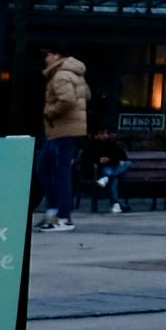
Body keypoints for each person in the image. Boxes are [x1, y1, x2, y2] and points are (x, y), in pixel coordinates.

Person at [39, 49, 90, 232]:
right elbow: (86, 96)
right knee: (47, 167)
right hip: (66, 130)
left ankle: (62, 217)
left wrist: (49, 112)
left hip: (62, 130)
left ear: (56, 56)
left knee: (58, 172)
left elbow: (67, 100)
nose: (45, 59)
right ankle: (55, 210)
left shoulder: (60, 75)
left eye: (47, 55)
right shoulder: (75, 73)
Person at [87, 130, 132, 216]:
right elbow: (88, 159)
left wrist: (112, 160)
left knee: (128, 163)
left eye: (106, 133)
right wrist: (99, 160)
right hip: (104, 167)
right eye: (102, 134)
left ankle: (106, 178)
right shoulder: (92, 145)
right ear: (97, 135)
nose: (105, 135)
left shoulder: (112, 143)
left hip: (115, 166)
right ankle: (117, 204)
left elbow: (122, 155)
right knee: (113, 178)